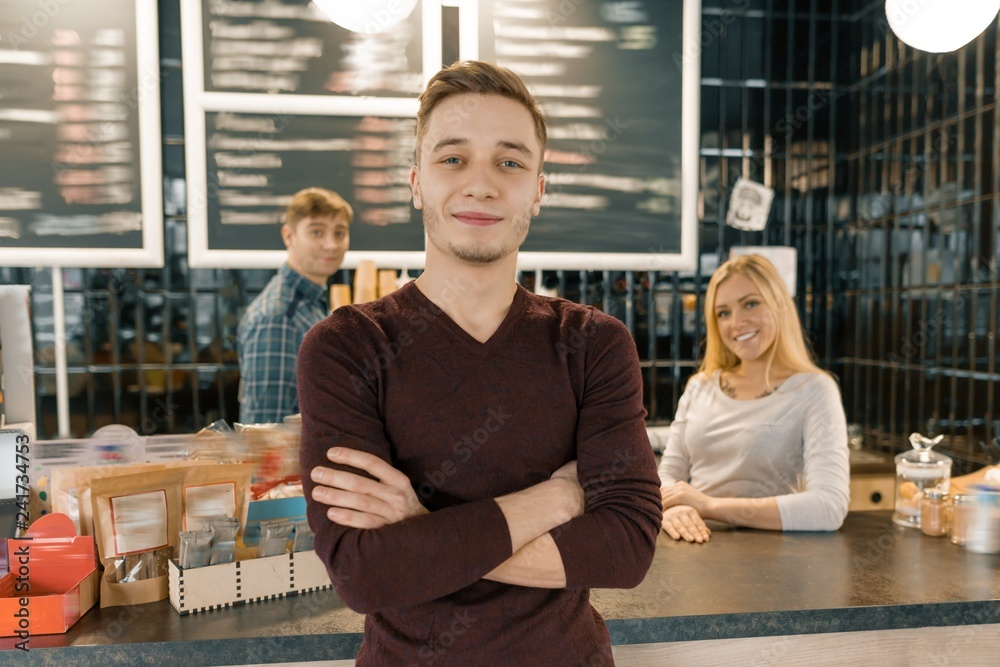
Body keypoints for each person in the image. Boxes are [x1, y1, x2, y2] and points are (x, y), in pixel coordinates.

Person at [297, 60, 662, 666]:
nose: (482, 184)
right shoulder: (347, 348)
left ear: (539, 189)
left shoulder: (593, 344)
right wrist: (557, 501)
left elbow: (626, 549)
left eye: (511, 162)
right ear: (417, 182)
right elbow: (364, 574)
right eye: (453, 158)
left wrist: (423, 528)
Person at [658, 254, 850, 543]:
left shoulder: (815, 390)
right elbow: (668, 476)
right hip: (693, 551)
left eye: (750, 303)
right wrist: (670, 509)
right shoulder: (700, 387)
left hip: (775, 561)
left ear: (779, 305)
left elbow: (829, 507)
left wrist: (708, 506)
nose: (737, 322)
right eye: (723, 312)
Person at [237, 187, 352, 424]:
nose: (331, 244)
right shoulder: (280, 317)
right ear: (289, 236)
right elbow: (266, 430)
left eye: (339, 233)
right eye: (317, 232)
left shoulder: (310, 304)